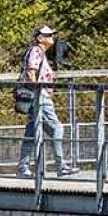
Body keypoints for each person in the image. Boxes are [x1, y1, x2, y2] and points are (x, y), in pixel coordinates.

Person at [17, 25, 79, 178]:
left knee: (31, 132)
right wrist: (38, 92)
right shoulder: (36, 51)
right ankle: (60, 165)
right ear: (40, 38)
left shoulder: (40, 53)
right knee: (57, 128)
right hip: (39, 97)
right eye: (48, 35)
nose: (52, 37)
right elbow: (30, 71)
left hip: (38, 97)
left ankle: (23, 167)